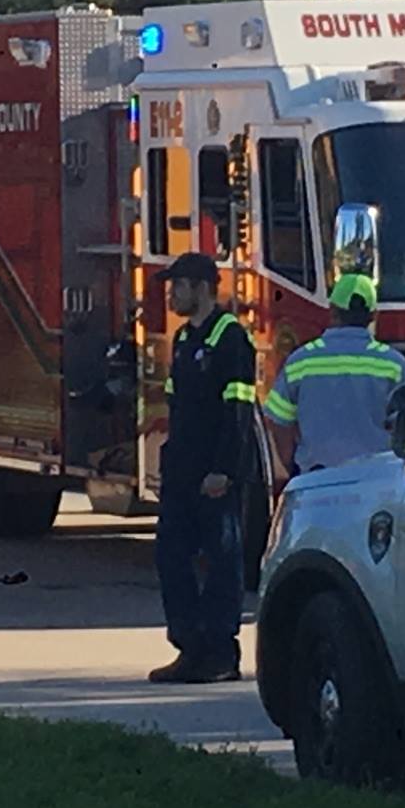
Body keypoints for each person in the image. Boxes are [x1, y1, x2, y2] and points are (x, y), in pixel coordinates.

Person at [150, 252, 256, 685]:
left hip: (216, 477)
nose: (172, 293)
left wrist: (224, 470)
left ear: (202, 288)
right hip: (182, 475)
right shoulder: (182, 340)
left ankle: (219, 654)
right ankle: (189, 647)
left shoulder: (231, 339)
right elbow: (178, 411)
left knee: (221, 562)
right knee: (171, 557)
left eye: (179, 285)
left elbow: (238, 413)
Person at [264, 273, 405, 477]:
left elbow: (279, 420)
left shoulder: (300, 361)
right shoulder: (394, 364)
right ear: (373, 315)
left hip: (316, 479)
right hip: (377, 480)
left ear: (332, 311)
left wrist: (291, 467)